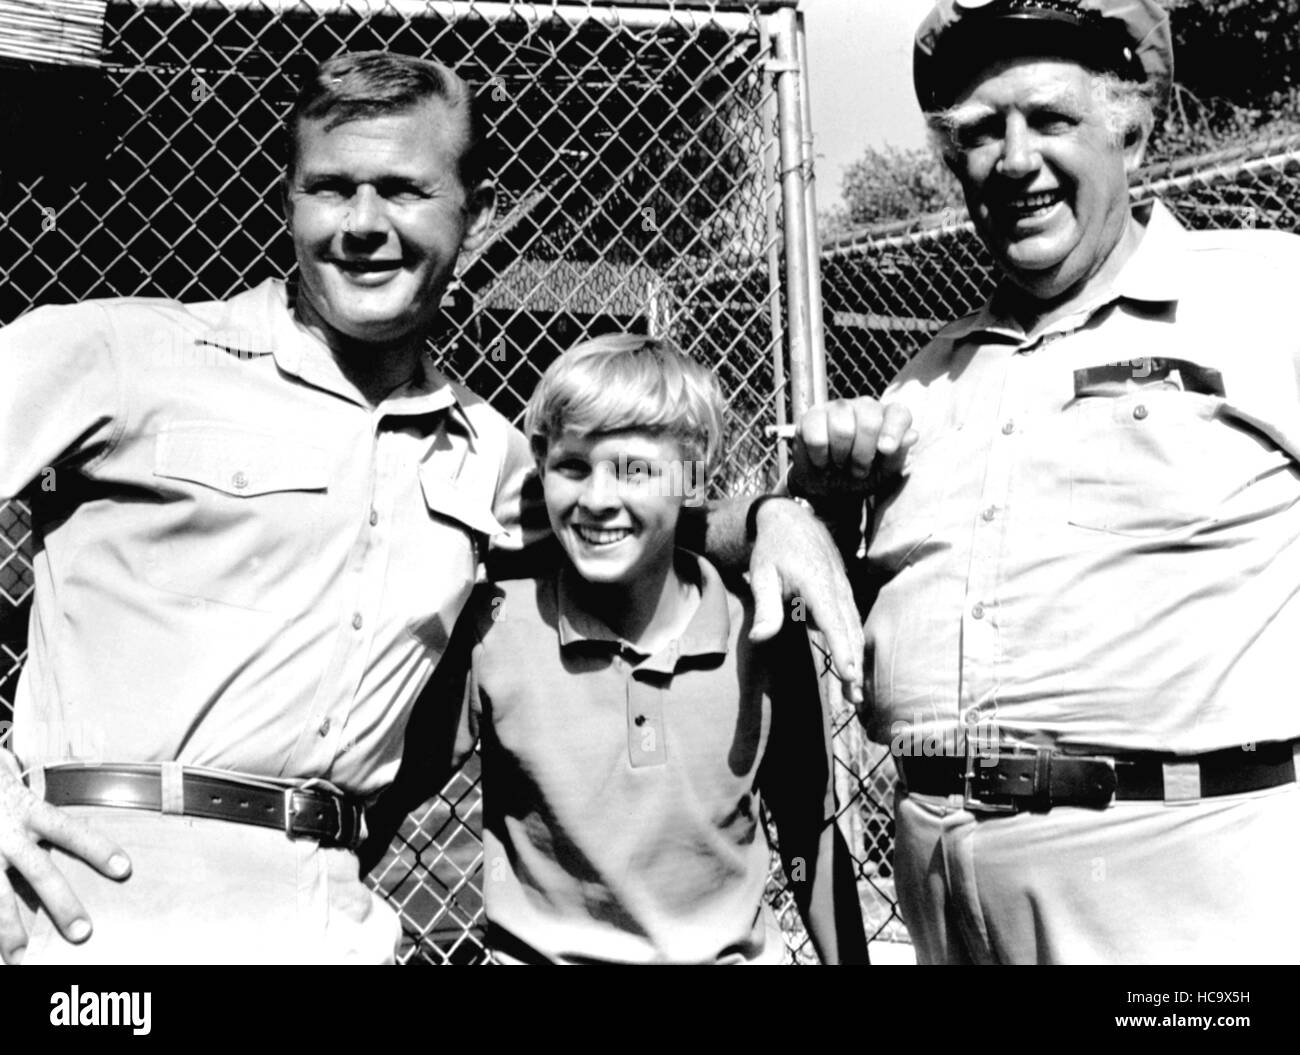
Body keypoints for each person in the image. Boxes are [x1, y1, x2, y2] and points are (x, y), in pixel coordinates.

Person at [0, 51, 863, 964]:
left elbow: (640, 513)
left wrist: (772, 516)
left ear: (474, 213)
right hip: (96, 901)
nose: (364, 225)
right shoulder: (121, 352)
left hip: (327, 915)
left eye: (404, 190)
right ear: (287, 200)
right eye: (330, 188)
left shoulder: (488, 452)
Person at [793, 0, 1300, 964]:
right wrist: (799, 504)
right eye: (981, 132)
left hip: (1184, 913)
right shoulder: (928, 376)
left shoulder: (1269, 294)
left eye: (1050, 119)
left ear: (1133, 132)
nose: (1013, 159)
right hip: (950, 910)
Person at [370, 334, 869, 964]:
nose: (598, 499)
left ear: (692, 473)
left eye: (634, 470)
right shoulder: (495, 628)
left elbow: (808, 835)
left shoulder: (760, 629)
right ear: (543, 465)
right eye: (573, 467)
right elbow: (383, 797)